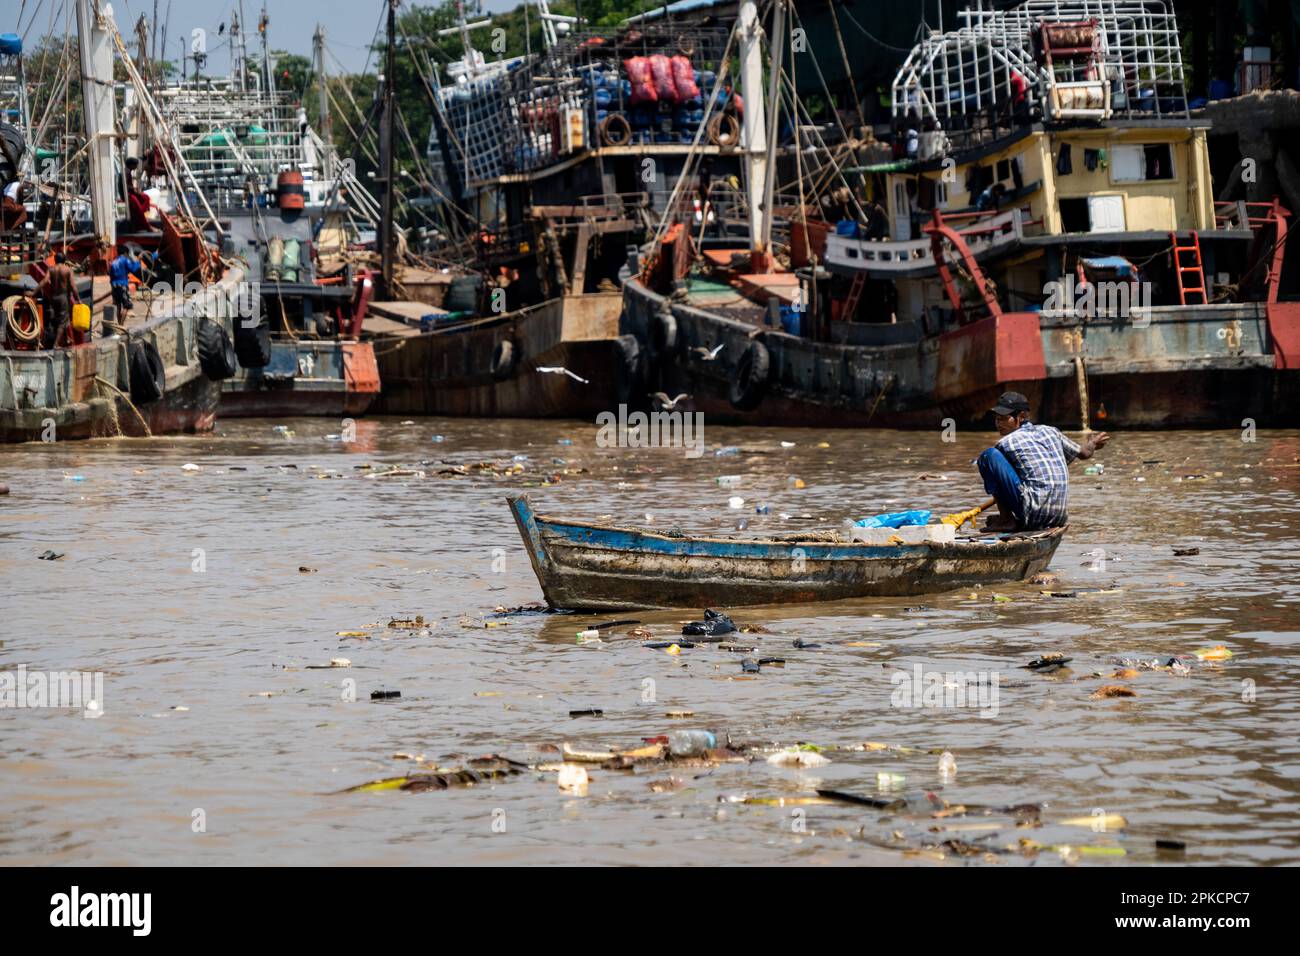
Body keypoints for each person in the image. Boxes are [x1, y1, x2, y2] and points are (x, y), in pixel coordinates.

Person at [976, 391, 1109, 531]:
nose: (998, 423)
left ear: (1021, 417)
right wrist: (1093, 442)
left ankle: (1006, 519)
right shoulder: (1051, 431)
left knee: (988, 456)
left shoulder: (1005, 443)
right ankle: (1007, 518)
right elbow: (1084, 453)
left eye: (1004, 419)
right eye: (997, 419)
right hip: (1060, 517)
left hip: (1032, 514)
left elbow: (1002, 482)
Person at [36, 252, 77, 349]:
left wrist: (34, 292)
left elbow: (45, 281)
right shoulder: (68, 270)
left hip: (54, 298)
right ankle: (56, 344)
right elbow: (72, 285)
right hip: (63, 298)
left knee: (61, 317)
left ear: (55, 260)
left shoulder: (51, 269)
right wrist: (78, 299)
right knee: (62, 321)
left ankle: (67, 338)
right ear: (64, 260)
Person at [109, 249, 145, 315]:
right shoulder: (125, 260)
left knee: (118, 306)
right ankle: (121, 324)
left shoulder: (113, 262)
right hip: (122, 285)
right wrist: (139, 260)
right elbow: (133, 269)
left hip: (114, 286)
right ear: (125, 253)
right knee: (127, 306)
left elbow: (111, 276)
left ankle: (119, 323)